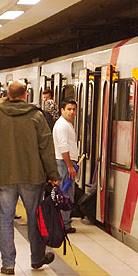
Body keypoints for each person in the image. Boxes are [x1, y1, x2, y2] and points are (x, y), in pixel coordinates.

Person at [0, 80, 59, 275]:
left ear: (8, 95)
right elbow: (46, 147)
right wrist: (53, 174)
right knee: (34, 217)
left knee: (6, 218)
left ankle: (8, 264)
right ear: (25, 95)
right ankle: (36, 258)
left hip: (3, 176)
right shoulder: (35, 116)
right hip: (32, 176)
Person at [53, 100, 79, 233]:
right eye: (69, 109)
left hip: (65, 163)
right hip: (64, 163)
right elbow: (63, 147)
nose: (72, 112)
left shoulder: (66, 124)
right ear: (62, 110)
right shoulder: (62, 125)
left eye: (74, 109)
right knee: (66, 194)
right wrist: (70, 166)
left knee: (66, 192)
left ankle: (64, 222)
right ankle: (65, 224)